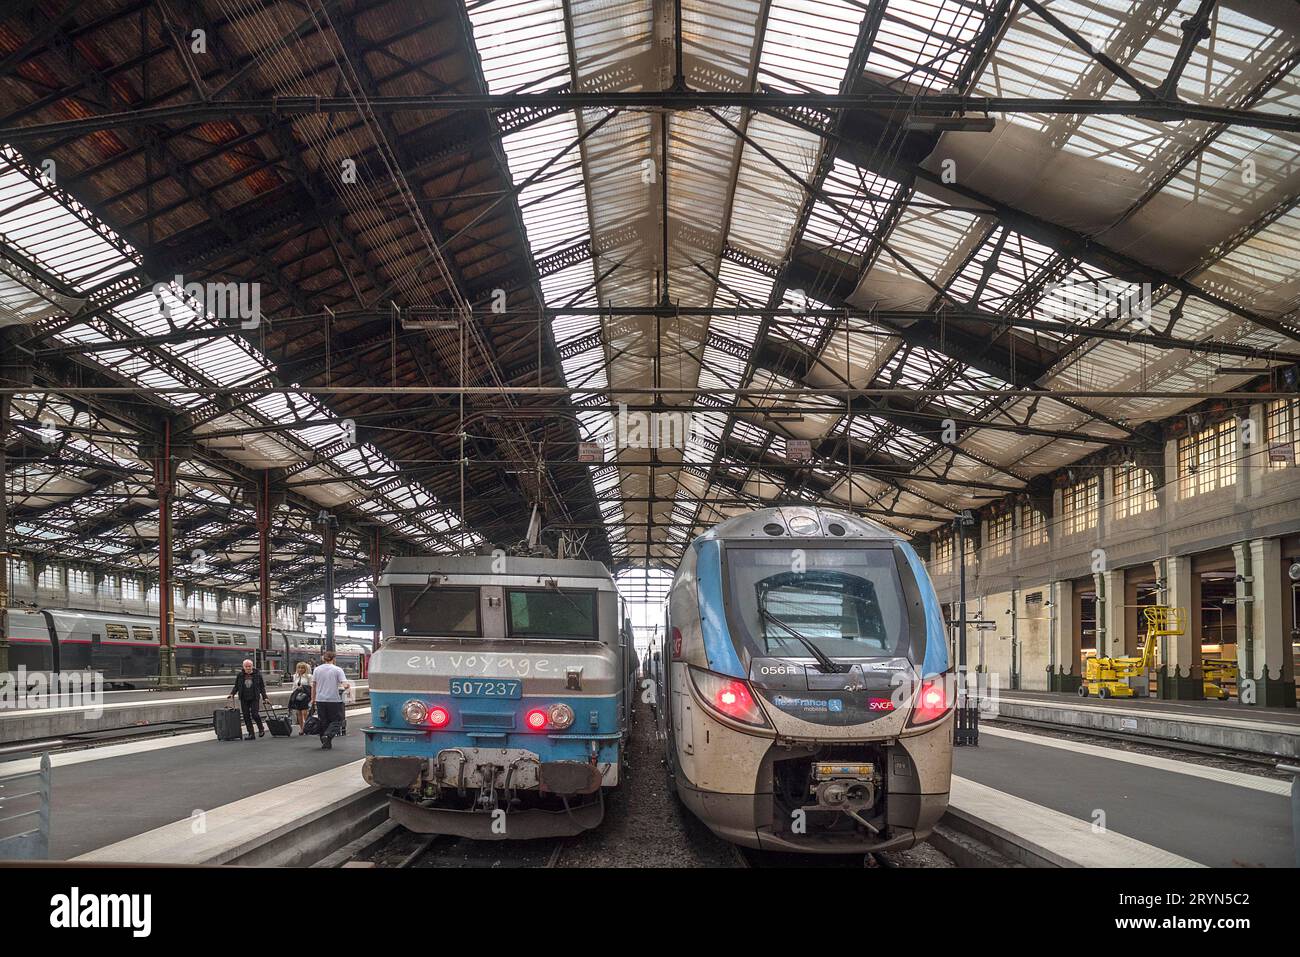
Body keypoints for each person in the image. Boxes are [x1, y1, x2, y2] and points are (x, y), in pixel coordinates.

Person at [310, 651, 351, 750]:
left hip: (320, 699)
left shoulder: (317, 670)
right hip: (334, 700)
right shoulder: (337, 670)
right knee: (337, 721)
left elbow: (314, 685)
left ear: (323, 659)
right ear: (334, 659)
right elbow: (345, 684)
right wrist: (347, 686)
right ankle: (327, 736)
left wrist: (313, 699)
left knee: (323, 721)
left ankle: (326, 743)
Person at [227, 659, 271, 741]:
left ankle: (261, 728)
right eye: (246, 666)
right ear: (243, 667)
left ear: (252, 666)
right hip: (244, 698)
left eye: (249, 666)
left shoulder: (257, 675)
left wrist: (265, 697)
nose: (248, 668)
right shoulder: (240, 675)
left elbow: (262, 687)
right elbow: (236, 686)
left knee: (255, 714)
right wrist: (232, 694)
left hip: (254, 697)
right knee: (246, 716)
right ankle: (251, 733)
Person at [288, 662, 312, 735]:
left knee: (305, 712)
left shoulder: (309, 676)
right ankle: (302, 729)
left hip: (305, 696)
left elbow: (311, 686)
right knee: (298, 712)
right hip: (297, 696)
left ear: (305, 669)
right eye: (299, 668)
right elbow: (293, 686)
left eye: (302, 668)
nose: (300, 669)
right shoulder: (295, 676)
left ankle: (307, 728)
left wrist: (304, 687)